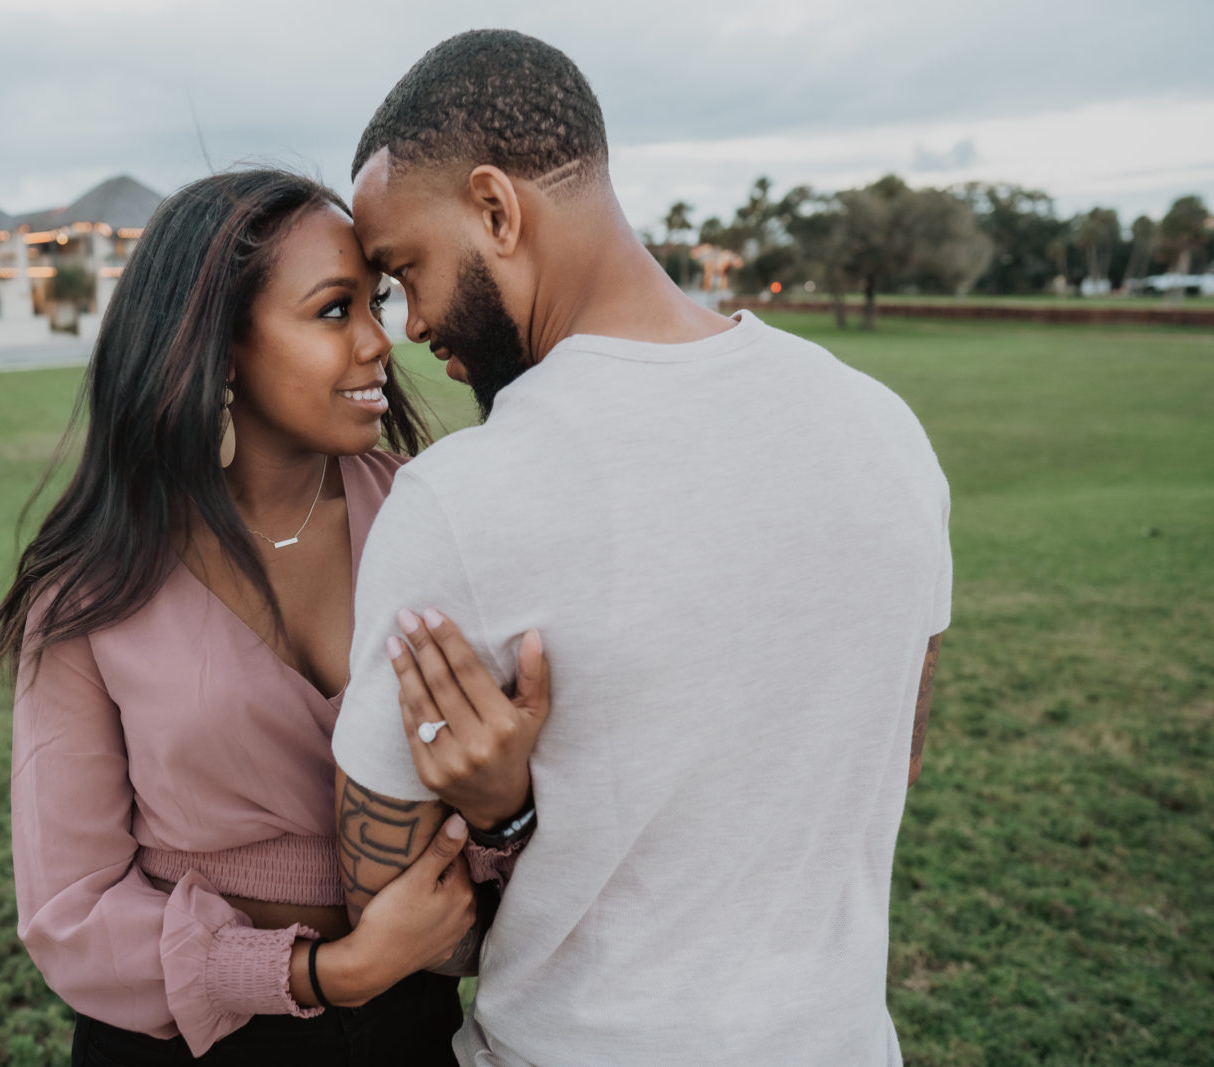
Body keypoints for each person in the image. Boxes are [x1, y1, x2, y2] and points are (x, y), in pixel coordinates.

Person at [329, 30, 952, 1066]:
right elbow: (899, 755)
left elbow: (398, 908)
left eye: (404, 271)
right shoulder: (885, 427)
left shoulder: (461, 498)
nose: (409, 325)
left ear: (495, 209)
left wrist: (511, 817)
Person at [0, 169, 488, 1066]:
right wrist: (330, 971)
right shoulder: (95, 580)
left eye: (380, 300)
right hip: (194, 1040)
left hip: (410, 1031)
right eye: (334, 310)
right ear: (220, 346)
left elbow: (523, 795)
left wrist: (497, 808)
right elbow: (71, 911)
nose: (379, 340)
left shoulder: (435, 518)